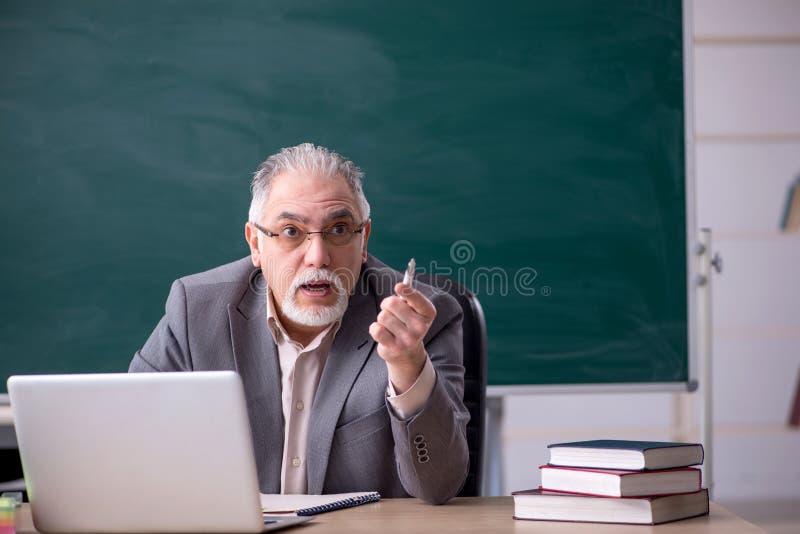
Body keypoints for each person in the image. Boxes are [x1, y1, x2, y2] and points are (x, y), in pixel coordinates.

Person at [129, 143, 469, 504]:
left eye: (339, 229)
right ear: (256, 244)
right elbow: (126, 441)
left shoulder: (421, 320)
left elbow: (439, 487)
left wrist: (407, 366)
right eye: (291, 231)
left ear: (364, 238)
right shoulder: (196, 310)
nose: (318, 257)